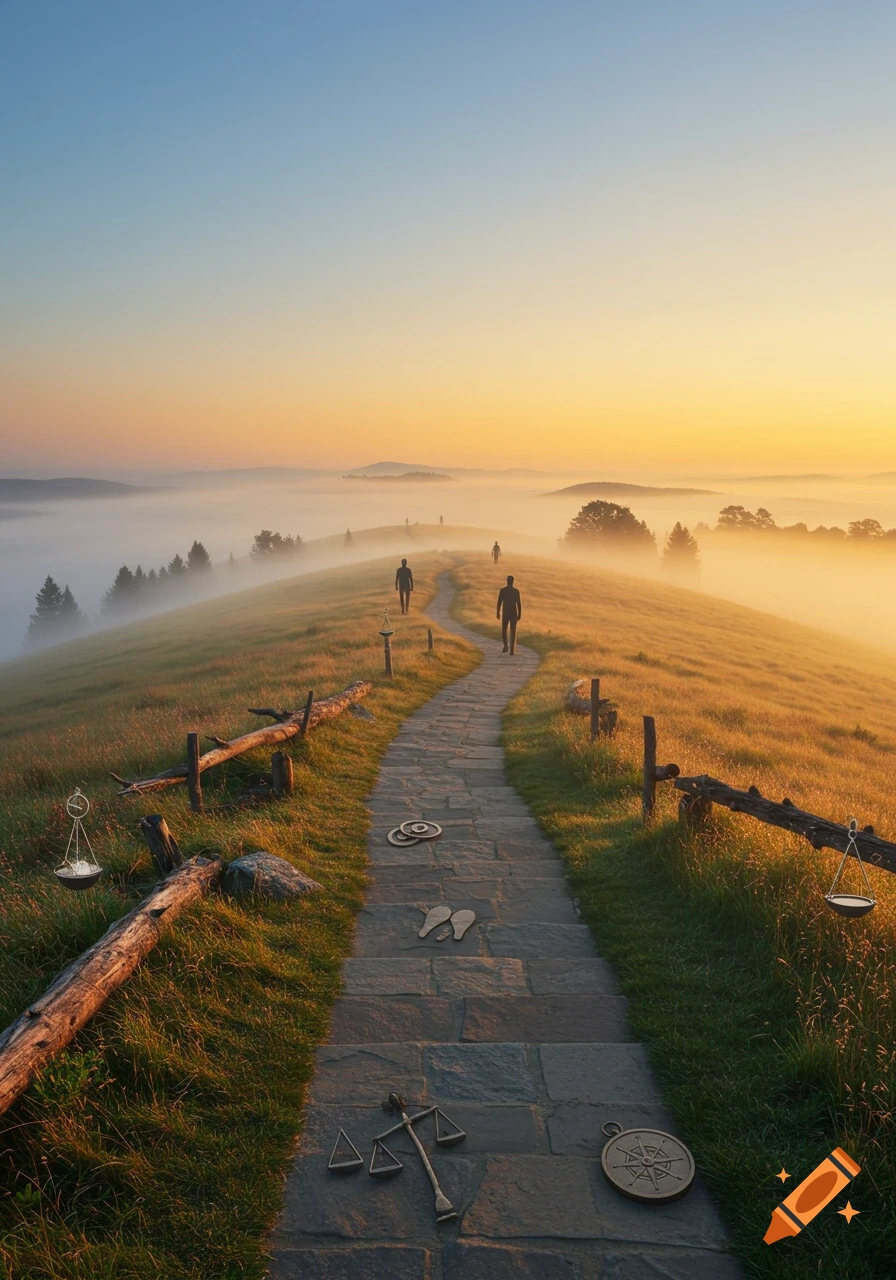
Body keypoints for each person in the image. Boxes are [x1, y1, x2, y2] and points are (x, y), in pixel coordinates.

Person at [496, 575, 521, 654]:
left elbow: (499, 602)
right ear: (513, 581)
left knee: (504, 630)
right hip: (513, 613)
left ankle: (506, 646)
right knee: (513, 631)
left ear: (507, 581)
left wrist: (498, 612)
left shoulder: (503, 590)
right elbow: (519, 604)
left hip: (506, 613)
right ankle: (512, 649)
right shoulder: (516, 591)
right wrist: (519, 614)